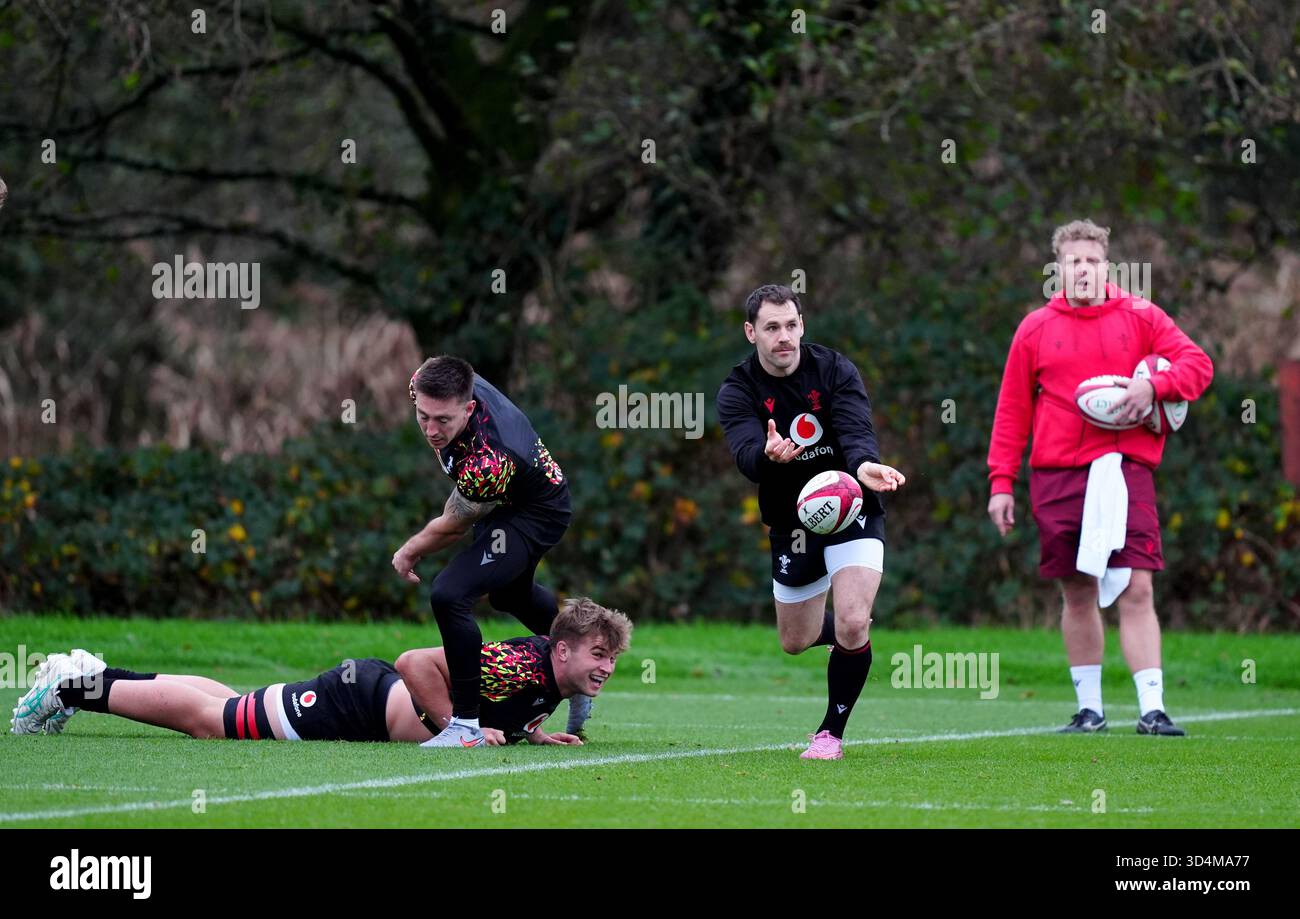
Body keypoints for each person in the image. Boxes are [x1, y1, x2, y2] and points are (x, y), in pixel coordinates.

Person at [986, 219, 1213, 735]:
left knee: (1137, 588)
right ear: (1058, 268)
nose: (1082, 269)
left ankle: (1152, 710)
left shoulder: (1140, 315)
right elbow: (1012, 410)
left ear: (1106, 265)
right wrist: (1002, 481)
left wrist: (1156, 386)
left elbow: (1198, 365)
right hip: (1057, 475)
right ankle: (1090, 710)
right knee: (1078, 590)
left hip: (1125, 469)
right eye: (1073, 262)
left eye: (1091, 261)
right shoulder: (1035, 328)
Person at [12, 598, 631, 747]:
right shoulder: (526, 662)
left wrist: (529, 734)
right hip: (357, 703)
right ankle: (73, 689)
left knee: (236, 702)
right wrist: (458, 727)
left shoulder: (545, 679)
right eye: (597, 654)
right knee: (215, 723)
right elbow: (417, 662)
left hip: (363, 701)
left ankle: (96, 670)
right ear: (561, 650)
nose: (605, 667)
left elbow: (494, 705)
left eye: (612, 658)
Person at [717, 284, 906, 760]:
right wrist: (767, 454)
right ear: (751, 332)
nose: (785, 337)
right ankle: (846, 633)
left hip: (852, 508)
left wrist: (865, 468)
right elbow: (744, 455)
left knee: (851, 620)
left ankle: (830, 734)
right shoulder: (737, 389)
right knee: (794, 640)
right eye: (772, 327)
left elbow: (855, 430)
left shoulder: (835, 370)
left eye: (792, 325)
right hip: (793, 524)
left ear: (802, 324)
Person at [391, 355, 592, 746]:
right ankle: (582, 666)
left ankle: (465, 725)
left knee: (449, 594)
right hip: (507, 500)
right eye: (423, 416)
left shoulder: (489, 461)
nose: (431, 430)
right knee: (509, 594)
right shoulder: (423, 380)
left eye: (443, 421)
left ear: (468, 408)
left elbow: (454, 523)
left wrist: (409, 550)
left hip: (538, 511)